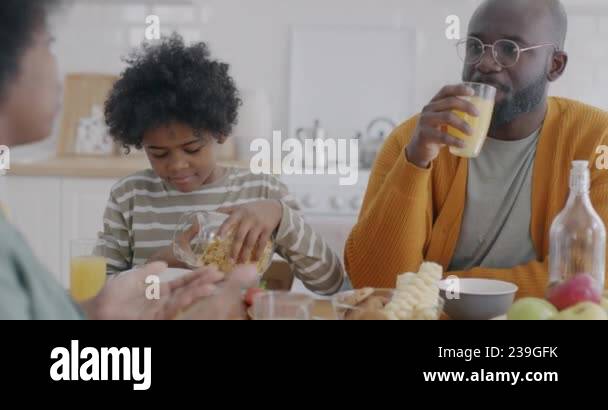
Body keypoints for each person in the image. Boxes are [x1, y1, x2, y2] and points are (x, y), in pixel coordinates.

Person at [0, 0, 254, 320]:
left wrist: (94, 313)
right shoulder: (130, 195)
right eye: (47, 44)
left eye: (191, 148)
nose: (57, 66)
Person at [345, 0, 608, 297]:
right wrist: (416, 161)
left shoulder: (598, 139)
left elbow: (586, 278)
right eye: (475, 46)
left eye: (509, 49)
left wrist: (435, 291)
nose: (484, 63)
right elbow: (375, 283)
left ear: (555, 65)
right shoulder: (412, 140)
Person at [99, 34, 346, 296]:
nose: (177, 165)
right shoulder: (130, 197)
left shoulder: (262, 191)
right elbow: (99, 290)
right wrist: (160, 263)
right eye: (159, 153)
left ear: (220, 133)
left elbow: (330, 282)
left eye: (192, 148)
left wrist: (281, 217)